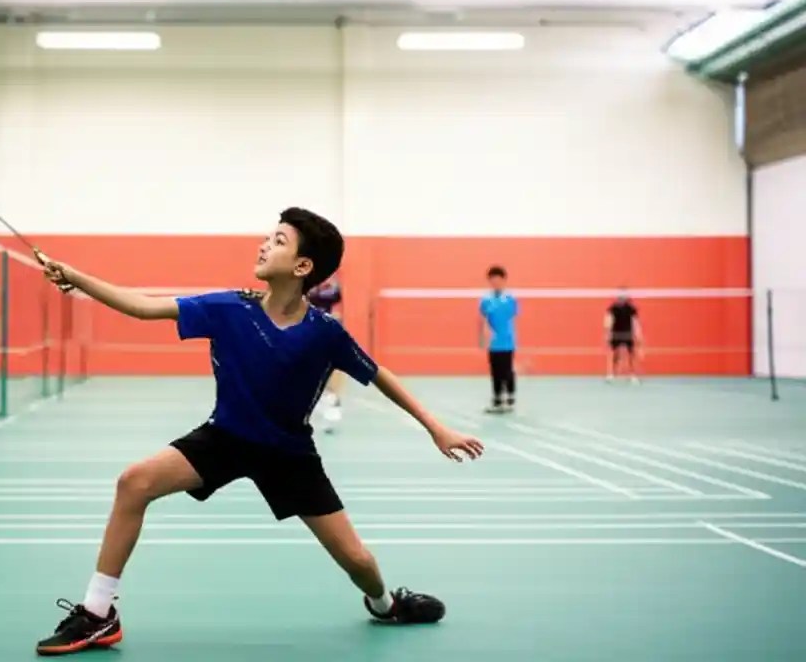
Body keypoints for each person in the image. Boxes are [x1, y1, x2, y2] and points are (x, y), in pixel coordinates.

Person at [31, 207, 484, 656]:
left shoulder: (324, 332)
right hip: (224, 438)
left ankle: (385, 606)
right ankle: (97, 612)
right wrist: (78, 277)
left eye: (279, 240)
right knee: (134, 483)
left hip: (289, 454)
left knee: (359, 562)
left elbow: (377, 373)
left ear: (302, 267)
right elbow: (144, 306)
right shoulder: (229, 307)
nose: (264, 244)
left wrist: (435, 428)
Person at [478, 265, 518, 414]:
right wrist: (482, 338)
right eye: (492, 280)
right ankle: (497, 400)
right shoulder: (485, 300)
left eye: (498, 279)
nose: (495, 282)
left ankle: (509, 398)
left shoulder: (510, 299)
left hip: (507, 342)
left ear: (503, 280)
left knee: (507, 371)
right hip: (493, 343)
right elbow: (482, 320)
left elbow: (511, 316)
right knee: (495, 372)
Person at [307, 275, 345, 432]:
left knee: (336, 365)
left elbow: (336, 295)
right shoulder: (303, 289)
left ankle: (332, 397)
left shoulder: (331, 290)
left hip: (325, 331)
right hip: (307, 331)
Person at [605, 289, 643, 384]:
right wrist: (608, 333)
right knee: (615, 354)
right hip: (616, 333)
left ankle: (633, 375)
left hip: (628, 333)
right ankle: (611, 374)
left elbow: (635, 321)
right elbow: (609, 320)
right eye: (620, 296)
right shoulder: (612, 308)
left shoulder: (631, 308)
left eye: (623, 296)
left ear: (626, 297)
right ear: (617, 297)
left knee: (631, 355)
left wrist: (638, 333)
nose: (621, 298)